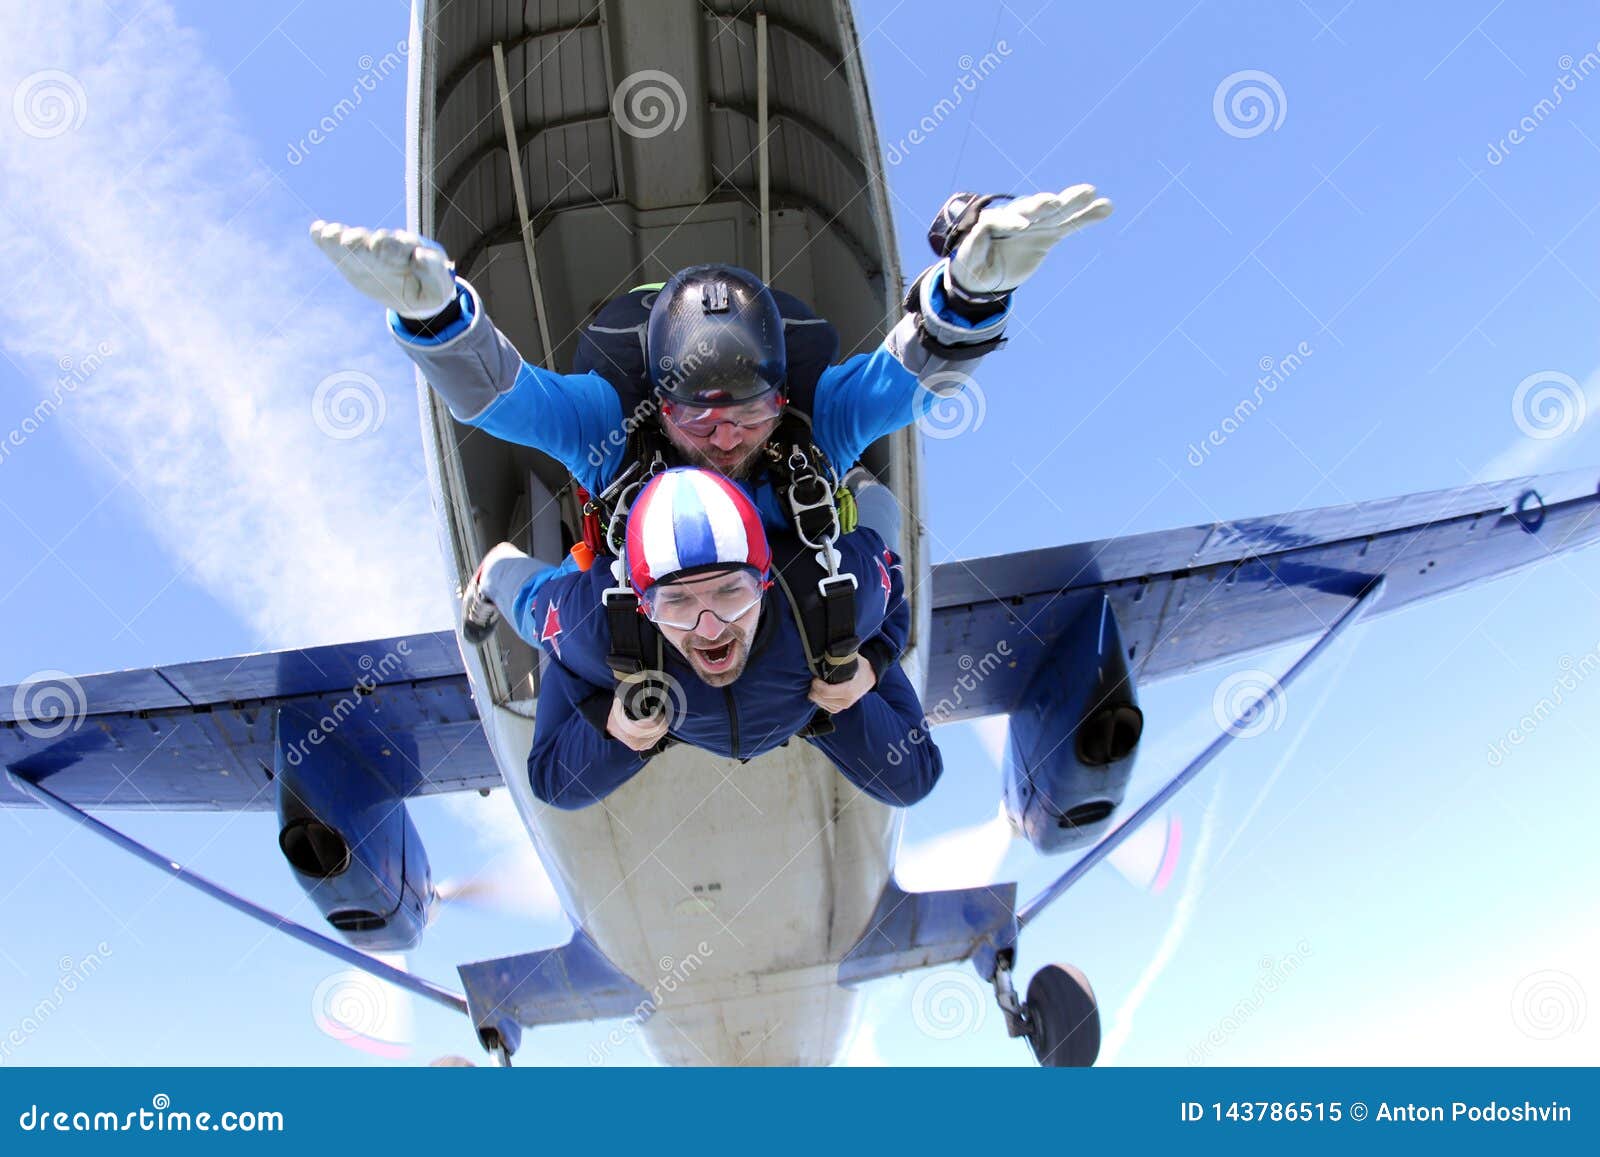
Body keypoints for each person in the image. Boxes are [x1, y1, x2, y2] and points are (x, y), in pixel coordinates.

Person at [310, 184, 1112, 597]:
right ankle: (500, 574)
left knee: (878, 520)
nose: (727, 436)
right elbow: (506, 398)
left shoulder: (814, 413)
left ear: (782, 394)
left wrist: (969, 297)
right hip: (639, 587)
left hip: (777, 576)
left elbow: (907, 378)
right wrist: (437, 318)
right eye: (700, 414)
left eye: (753, 410)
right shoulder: (607, 426)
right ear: (659, 405)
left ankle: (858, 492)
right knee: (557, 612)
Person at [465, 466, 938, 810]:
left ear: (766, 581)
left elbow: (890, 579)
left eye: (731, 592)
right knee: (532, 609)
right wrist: (612, 727)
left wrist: (870, 663)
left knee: (913, 776)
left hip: (804, 693)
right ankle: (495, 566)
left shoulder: (827, 596)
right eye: (677, 603)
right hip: (676, 687)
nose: (709, 628)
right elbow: (548, 774)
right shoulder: (596, 624)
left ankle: (862, 482)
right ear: (643, 604)